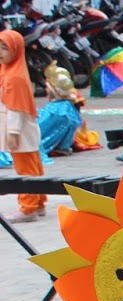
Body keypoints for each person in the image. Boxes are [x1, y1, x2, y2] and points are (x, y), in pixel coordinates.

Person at [0, 30, 45, 224]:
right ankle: (39, 202)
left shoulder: (14, 77)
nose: (1, 52)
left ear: (15, 50)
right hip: (24, 130)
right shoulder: (10, 71)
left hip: (20, 131)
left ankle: (28, 208)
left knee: (25, 169)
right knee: (33, 166)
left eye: (4, 48)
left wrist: (13, 133)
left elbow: (15, 108)